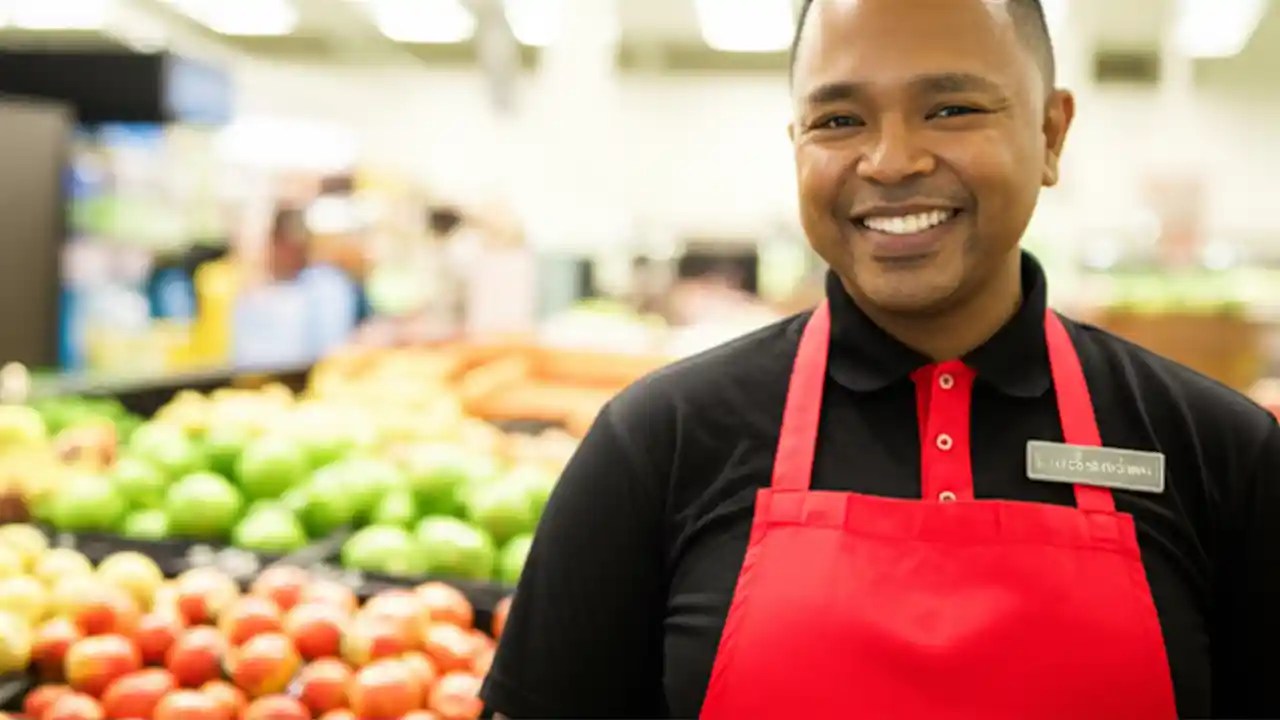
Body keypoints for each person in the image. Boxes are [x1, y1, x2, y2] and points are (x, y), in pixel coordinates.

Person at [480, 0, 1280, 718]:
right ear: (795, 143)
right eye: (838, 122)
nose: (892, 161)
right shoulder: (657, 442)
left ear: (1049, 134)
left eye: (952, 107)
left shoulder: (1218, 452)